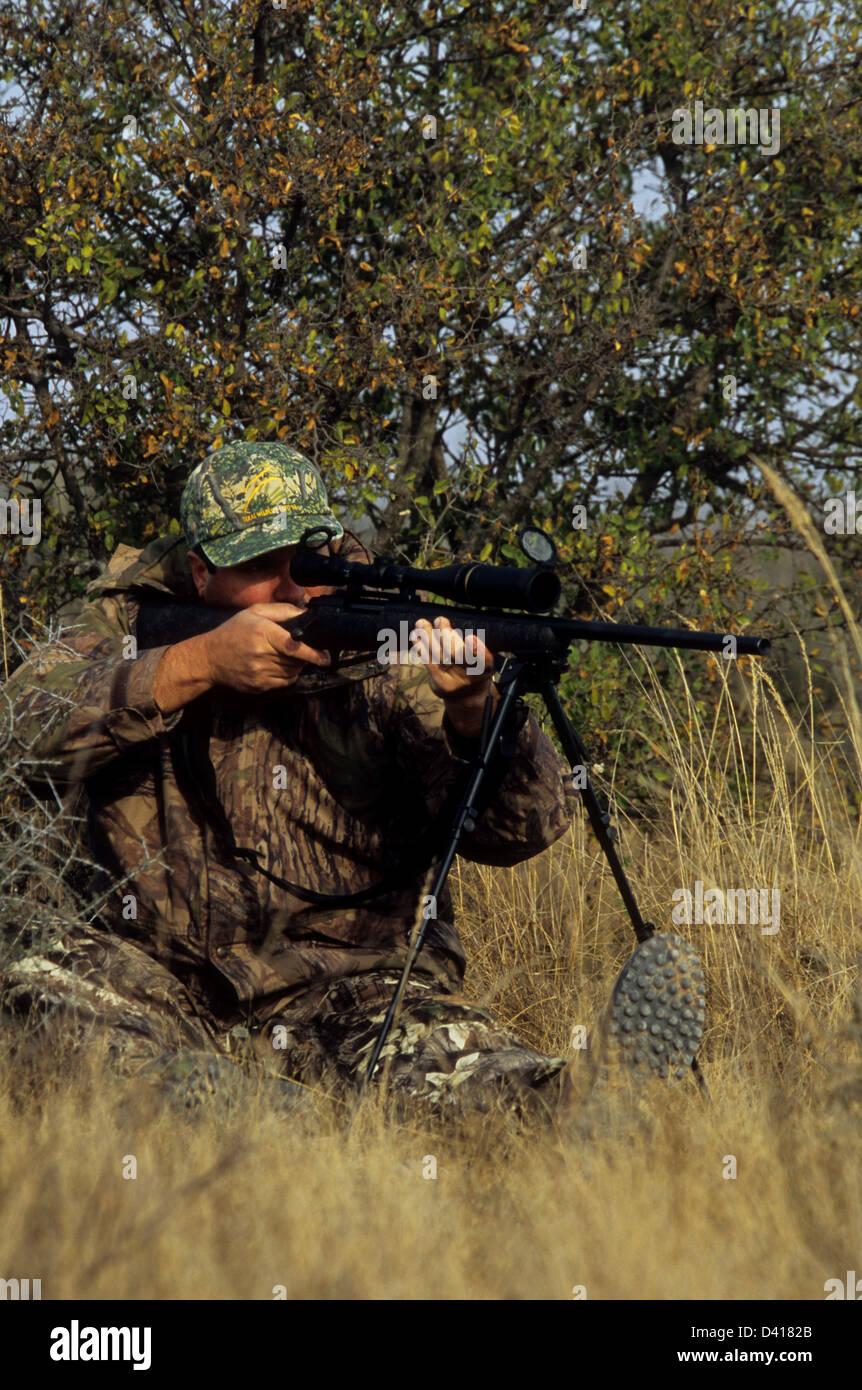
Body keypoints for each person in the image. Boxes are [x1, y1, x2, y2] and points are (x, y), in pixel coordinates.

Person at [1, 442, 705, 1122]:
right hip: (160, 976)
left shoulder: (394, 644)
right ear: (199, 572)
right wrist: (201, 662)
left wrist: (471, 709)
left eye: (310, 560)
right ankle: (231, 1112)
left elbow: (523, 829)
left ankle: (580, 1098)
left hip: (352, 981)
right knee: (44, 991)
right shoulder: (125, 622)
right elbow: (21, 726)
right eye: (260, 567)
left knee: (445, 1066)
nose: (293, 587)